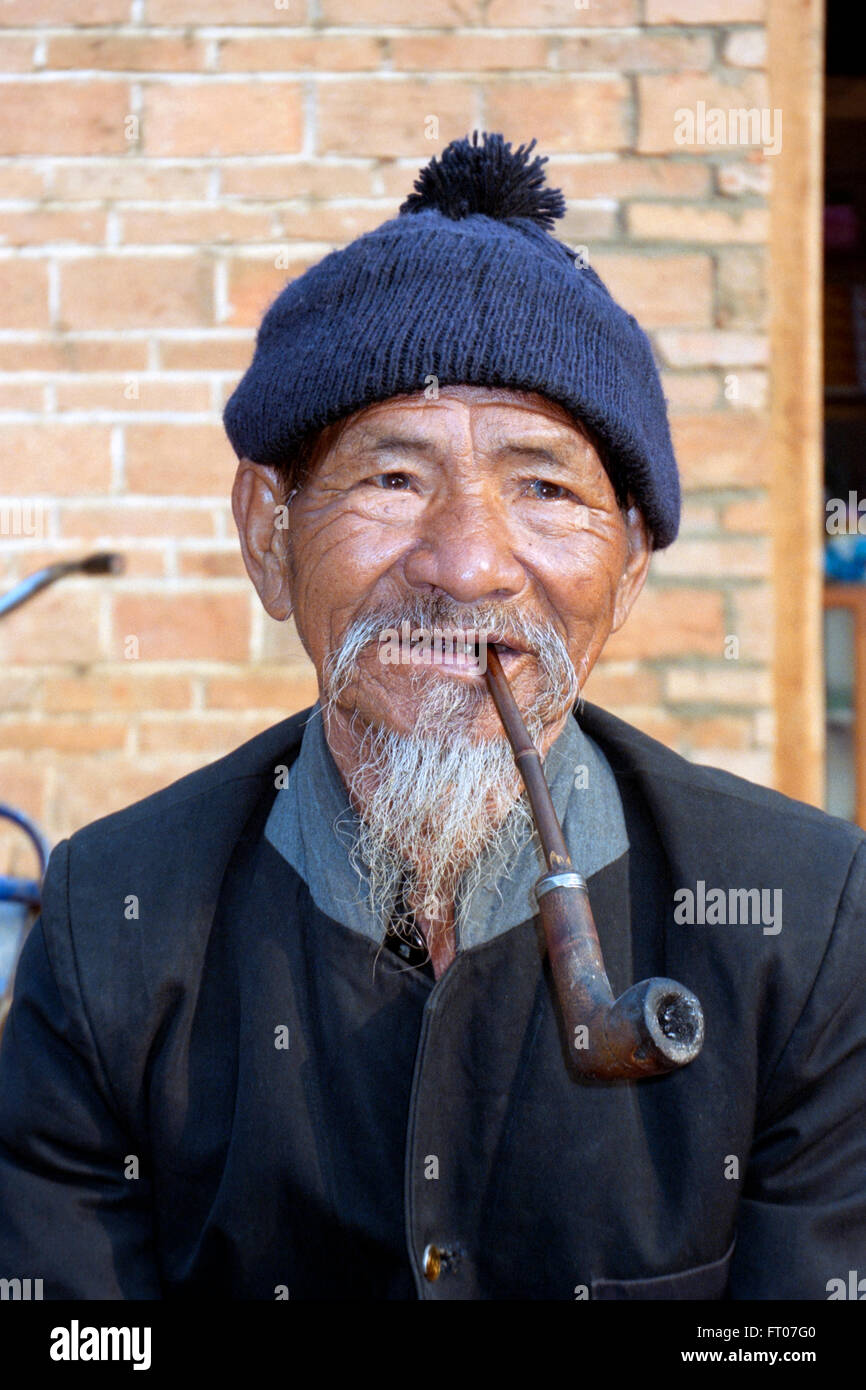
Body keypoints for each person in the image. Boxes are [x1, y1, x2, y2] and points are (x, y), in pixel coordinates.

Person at [0, 132, 864, 1301]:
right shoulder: (108, 927)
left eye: (545, 487)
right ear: (268, 534)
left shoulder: (805, 928)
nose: (464, 566)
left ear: (629, 569)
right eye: (392, 477)